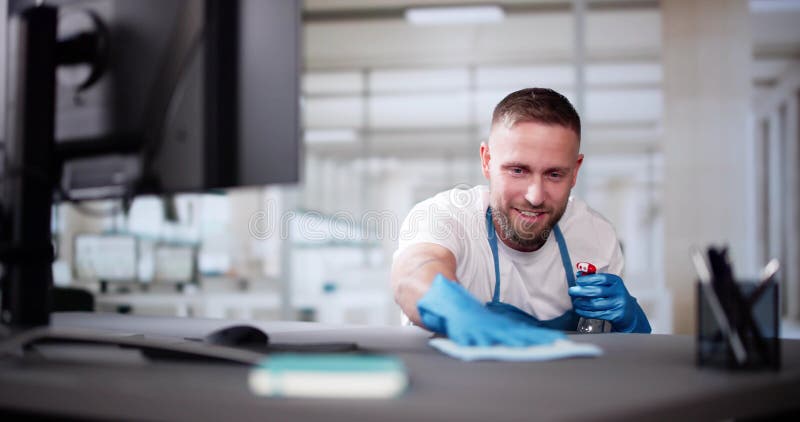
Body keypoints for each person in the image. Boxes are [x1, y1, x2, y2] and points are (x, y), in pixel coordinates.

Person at [390, 88, 650, 347]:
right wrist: (455, 309)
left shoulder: (597, 236)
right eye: (517, 170)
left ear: (575, 172)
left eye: (554, 174)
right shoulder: (447, 215)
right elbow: (413, 274)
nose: (535, 197)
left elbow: (611, 353)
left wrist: (630, 326)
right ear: (487, 160)